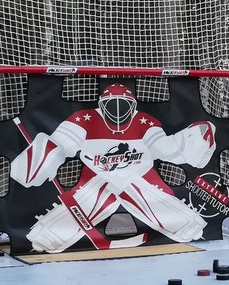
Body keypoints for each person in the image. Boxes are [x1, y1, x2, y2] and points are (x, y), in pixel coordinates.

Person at [11, 83, 217, 253]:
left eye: (123, 104)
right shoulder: (84, 119)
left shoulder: (145, 122)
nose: (117, 110)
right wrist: (43, 158)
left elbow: (165, 149)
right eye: (111, 104)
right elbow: (60, 143)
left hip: (140, 179)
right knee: (46, 238)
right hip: (96, 181)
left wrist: (192, 141)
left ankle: (185, 226)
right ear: (102, 105)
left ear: (133, 106)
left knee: (188, 227)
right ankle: (47, 236)